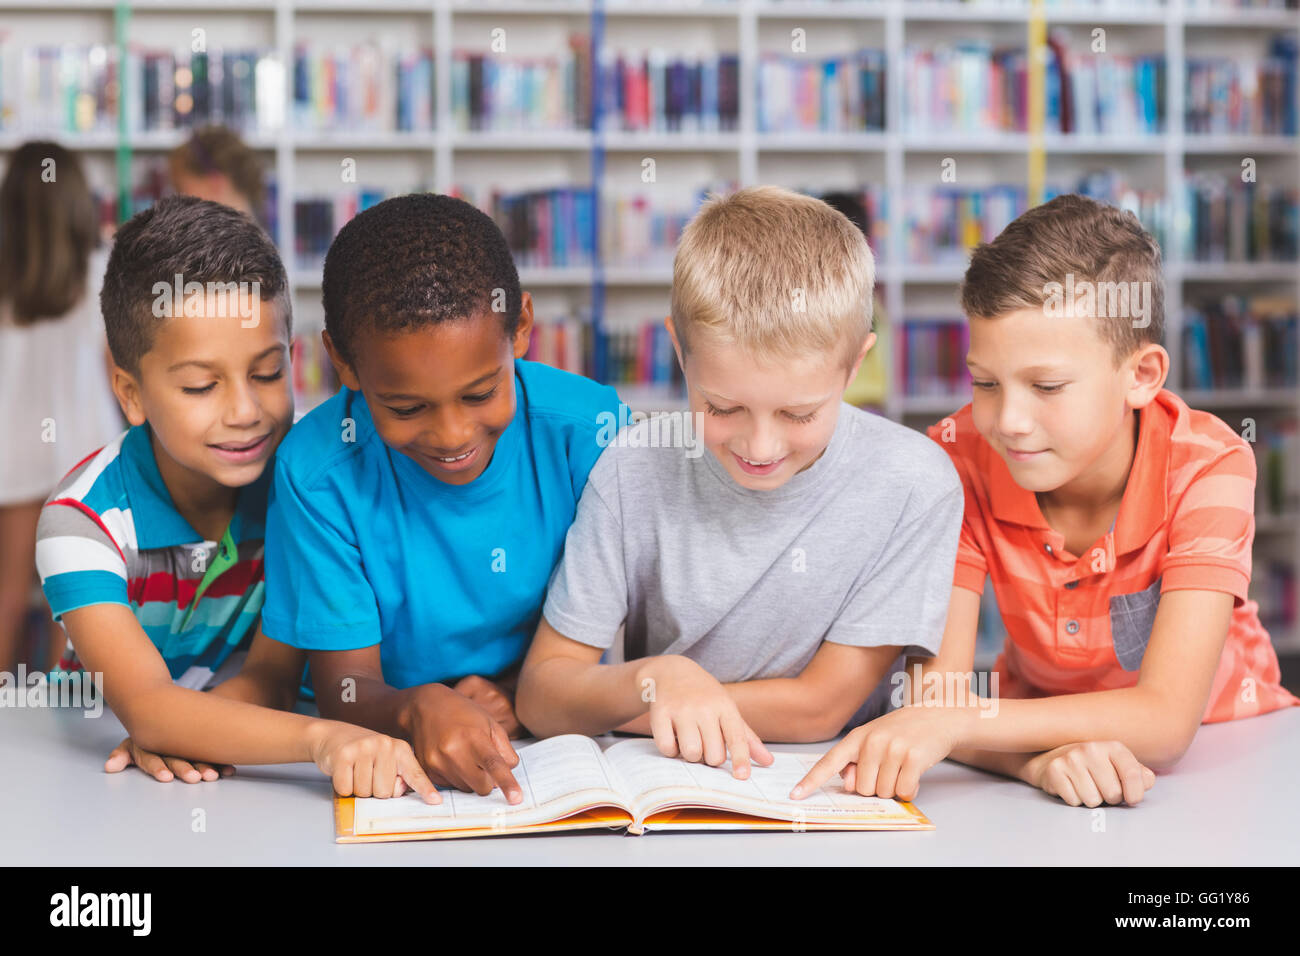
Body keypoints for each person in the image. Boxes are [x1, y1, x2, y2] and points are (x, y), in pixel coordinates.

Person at [795, 194, 1299, 808]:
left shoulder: (1209, 466)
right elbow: (936, 702)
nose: (1007, 420)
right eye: (984, 383)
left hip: (1233, 755)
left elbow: (1166, 723)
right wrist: (1036, 764)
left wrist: (960, 722)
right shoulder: (958, 461)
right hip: (1046, 750)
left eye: (1047, 386)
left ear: (1141, 376)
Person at [514, 185, 964, 780]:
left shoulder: (913, 482)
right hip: (667, 786)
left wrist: (638, 705)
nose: (760, 447)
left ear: (856, 363)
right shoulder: (630, 469)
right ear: (679, 350)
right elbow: (542, 695)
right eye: (723, 407)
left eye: (798, 415)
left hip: (834, 795)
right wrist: (658, 681)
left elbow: (821, 709)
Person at [34, 195, 435, 801]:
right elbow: (143, 706)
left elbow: (271, 679)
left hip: (232, 774)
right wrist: (320, 741)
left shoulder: (308, 489)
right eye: (201, 385)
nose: (246, 413)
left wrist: (189, 727)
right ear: (130, 392)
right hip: (95, 778)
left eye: (268, 374)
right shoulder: (81, 523)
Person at [0, 142, 121, 672]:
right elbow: (118, 371)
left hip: (12, 445)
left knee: (7, 588)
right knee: (68, 594)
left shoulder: (5, 280)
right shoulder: (102, 273)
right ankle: (58, 707)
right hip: (81, 449)